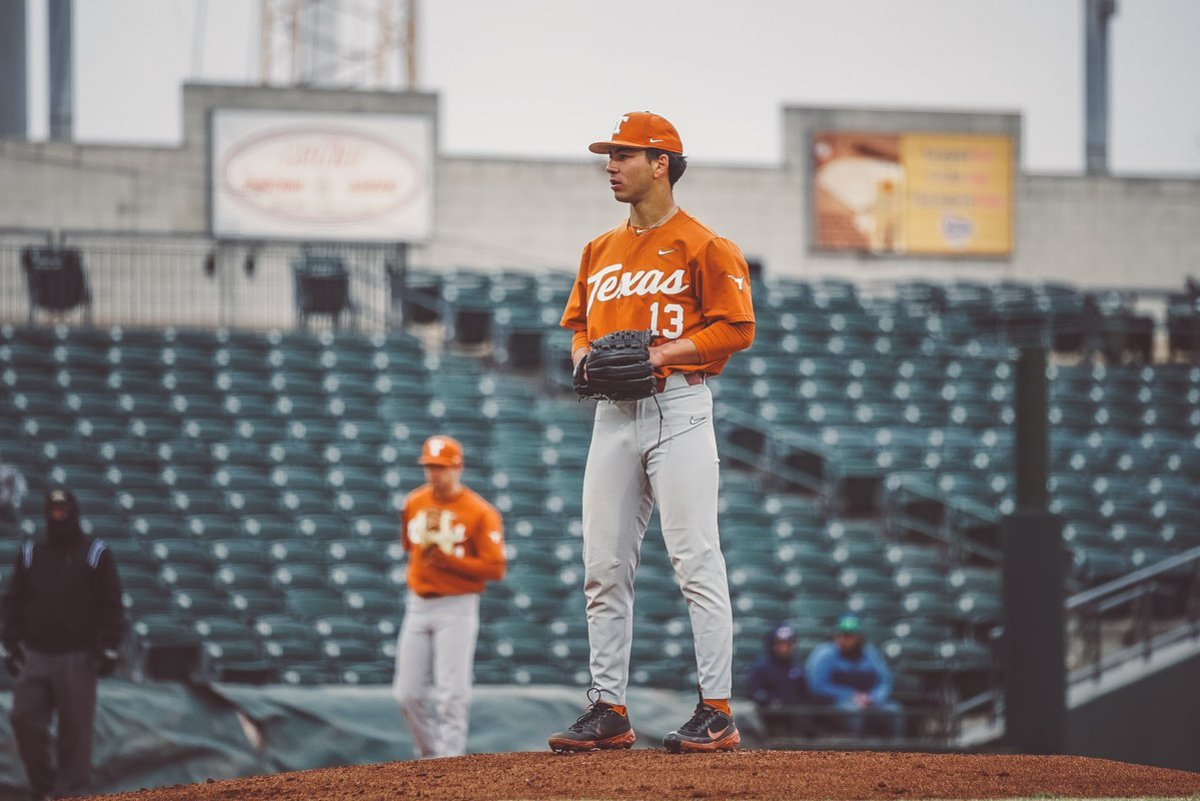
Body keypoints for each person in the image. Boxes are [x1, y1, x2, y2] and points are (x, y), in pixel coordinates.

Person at [549, 111, 756, 754]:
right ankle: (609, 708)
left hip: (679, 409)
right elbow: (578, 325)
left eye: (624, 155)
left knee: (695, 559)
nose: (611, 165)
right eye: (609, 156)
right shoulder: (598, 249)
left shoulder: (705, 245)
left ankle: (716, 708)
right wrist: (582, 356)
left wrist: (663, 355)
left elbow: (737, 327)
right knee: (603, 566)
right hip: (613, 415)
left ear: (661, 162)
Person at [1, 487, 124, 800]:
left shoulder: (95, 552)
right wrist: (9, 642)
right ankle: (45, 786)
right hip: (38, 654)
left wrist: (110, 645)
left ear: (73, 512)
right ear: (46, 514)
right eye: (52, 511)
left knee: (76, 730)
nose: (57, 516)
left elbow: (112, 601)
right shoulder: (31, 552)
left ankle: (71, 793)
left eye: (62, 511)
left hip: (78, 656)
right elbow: (14, 599)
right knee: (23, 717)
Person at [392, 435, 506, 759]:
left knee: (451, 693)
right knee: (407, 693)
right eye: (429, 466)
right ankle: (430, 757)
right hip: (418, 604)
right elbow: (408, 547)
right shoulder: (414, 502)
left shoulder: (480, 511)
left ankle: (450, 761)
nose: (434, 473)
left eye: (440, 467)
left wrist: (450, 561)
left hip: (457, 604)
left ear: (457, 467)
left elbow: (496, 568)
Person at [805, 614, 903, 739]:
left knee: (894, 710)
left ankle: (896, 753)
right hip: (838, 702)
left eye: (850, 636)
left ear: (859, 637)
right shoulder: (824, 654)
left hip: (870, 700)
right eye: (842, 635)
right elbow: (818, 685)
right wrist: (851, 695)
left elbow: (885, 681)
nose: (845, 640)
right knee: (855, 712)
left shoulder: (870, 653)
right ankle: (857, 753)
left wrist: (874, 698)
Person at [745, 624, 814, 737]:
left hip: (792, 714)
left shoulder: (797, 668)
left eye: (788, 643)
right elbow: (753, 692)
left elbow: (806, 694)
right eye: (781, 643)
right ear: (773, 644)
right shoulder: (762, 667)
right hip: (768, 713)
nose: (785, 648)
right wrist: (770, 700)